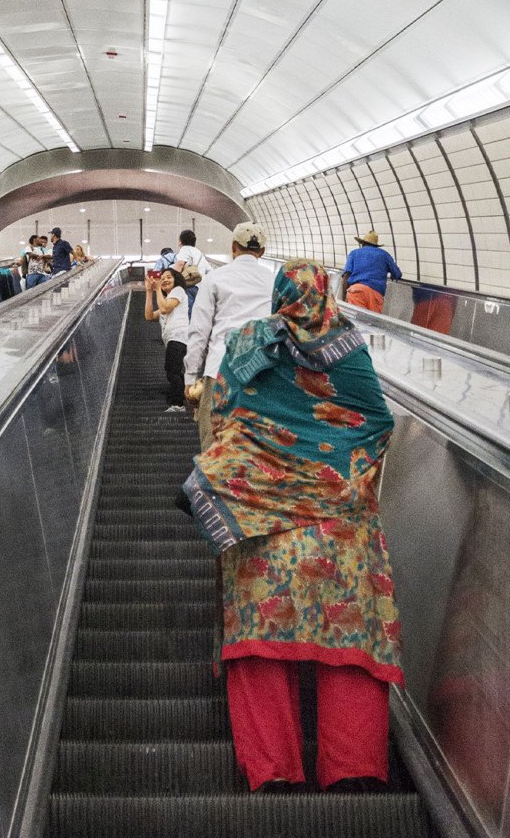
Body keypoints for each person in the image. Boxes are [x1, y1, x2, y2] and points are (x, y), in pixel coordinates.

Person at [182, 259, 400, 793]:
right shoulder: (348, 347)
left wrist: (245, 479)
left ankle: (274, 769)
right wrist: (329, 481)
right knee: (350, 641)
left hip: (262, 523)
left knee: (260, 641)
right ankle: (352, 770)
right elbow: (375, 422)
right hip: (341, 530)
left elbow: (227, 421)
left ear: (278, 294)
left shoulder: (251, 343)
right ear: (326, 292)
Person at [183, 222, 272, 449]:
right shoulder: (274, 281)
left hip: (221, 370)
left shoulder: (215, 278)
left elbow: (199, 332)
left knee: (214, 444)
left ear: (234, 247)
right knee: (255, 447)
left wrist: (190, 376)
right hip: (263, 374)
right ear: (261, 251)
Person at [143, 267, 192, 412]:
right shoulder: (167, 300)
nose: (164, 280)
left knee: (172, 370)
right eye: (162, 277)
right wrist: (148, 291)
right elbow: (149, 316)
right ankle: (188, 398)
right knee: (174, 370)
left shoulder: (178, 291)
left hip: (179, 337)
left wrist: (157, 289)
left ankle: (178, 404)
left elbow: (164, 309)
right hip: (173, 339)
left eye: (168, 277)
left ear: (176, 280)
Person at [341, 231, 402, 314]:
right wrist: (392, 273)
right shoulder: (384, 255)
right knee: (371, 324)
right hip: (375, 295)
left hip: (357, 292)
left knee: (356, 322)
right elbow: (398, 274)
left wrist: (343, 299)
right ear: (376, 246)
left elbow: (346, 277)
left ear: (362, 243)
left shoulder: (354, 253)